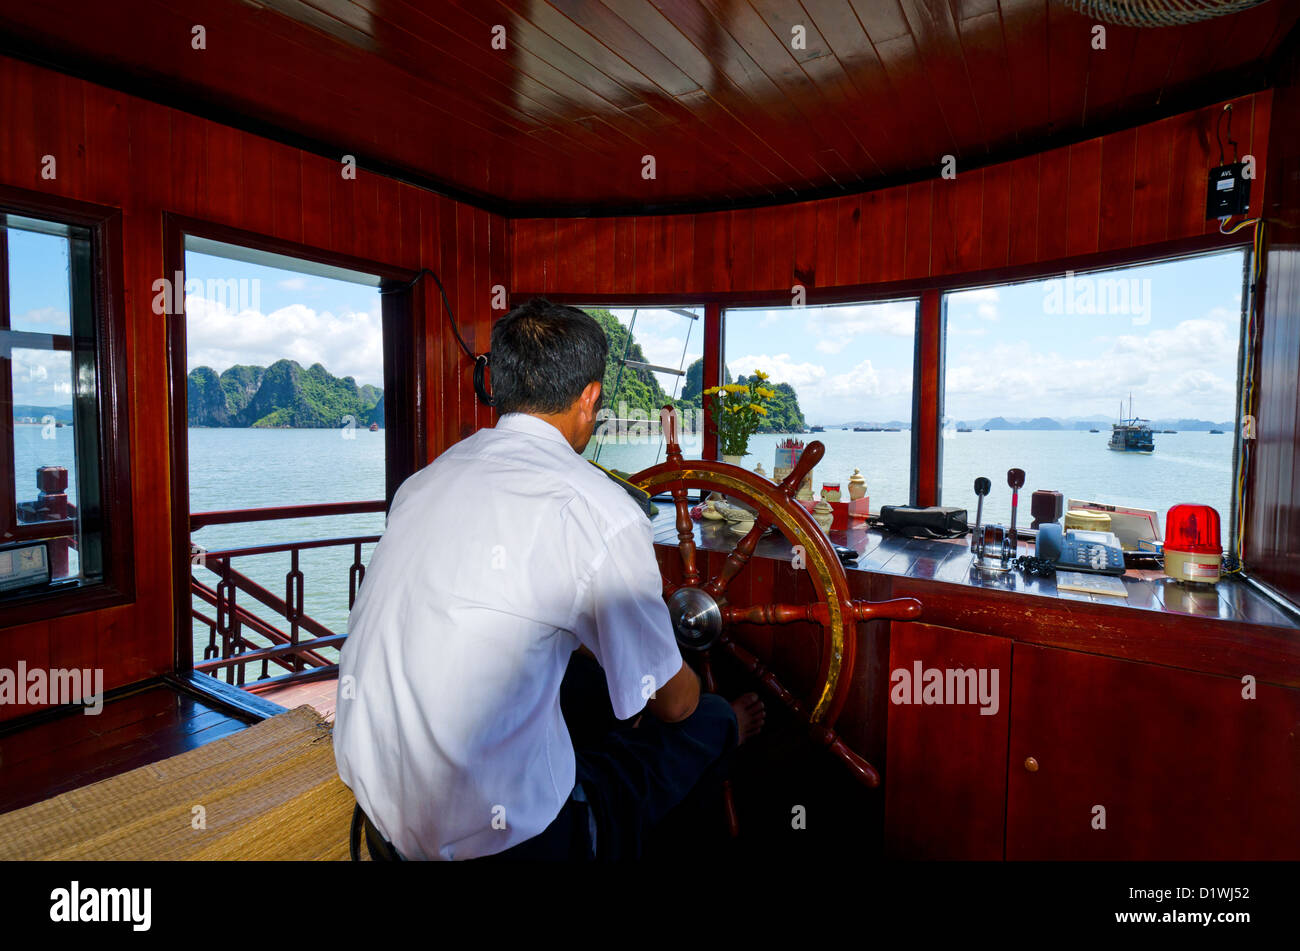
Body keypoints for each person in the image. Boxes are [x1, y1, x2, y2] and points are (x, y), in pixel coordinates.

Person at [333, 297, 763, 861]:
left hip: (381, 821)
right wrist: (712, 708)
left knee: (580, 690)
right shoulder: (601, 510)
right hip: (510, 846)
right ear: (590, 398)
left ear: (498, 384)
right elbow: (672, 703)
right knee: (702, 720)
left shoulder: (424, 483)